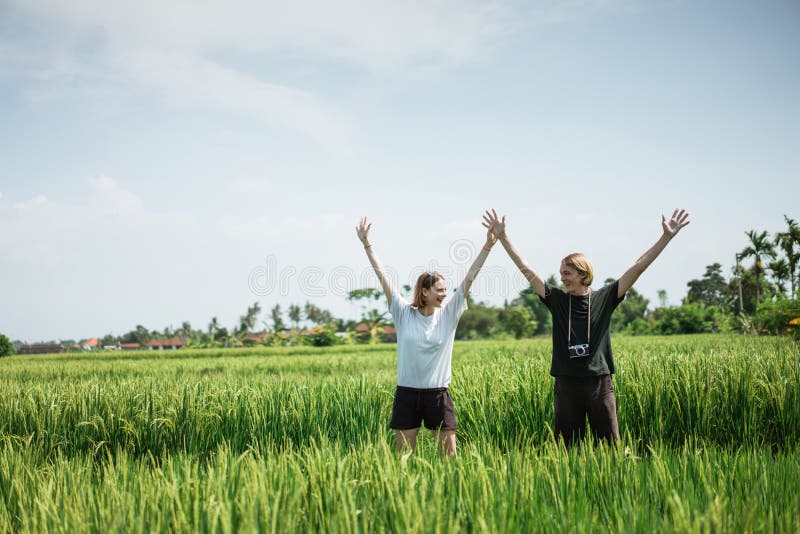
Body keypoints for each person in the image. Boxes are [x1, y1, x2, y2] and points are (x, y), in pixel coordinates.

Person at [485, 208, 690, 446]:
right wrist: (504, 237)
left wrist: (666, 237)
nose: (562, 278)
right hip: (566, 383)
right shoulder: (557, 300)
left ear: (583, 274)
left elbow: (637, 268)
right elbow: (527, 270)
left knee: (610, 446)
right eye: (561, 273)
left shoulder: (605, 298)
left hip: (599, 384)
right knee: (568, 448)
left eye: (567, 273)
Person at [355, 215, 497, 457]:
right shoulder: (403, 313)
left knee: (448, 458)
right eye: (439, 290)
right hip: (407, 394)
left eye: (445, 290)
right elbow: (383, 278)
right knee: (404, 459)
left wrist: (487, 246)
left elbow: (469, 278)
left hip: (438, 395)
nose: (444, 294)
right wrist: (367, 244)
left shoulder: (449, 314)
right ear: (424, 291)